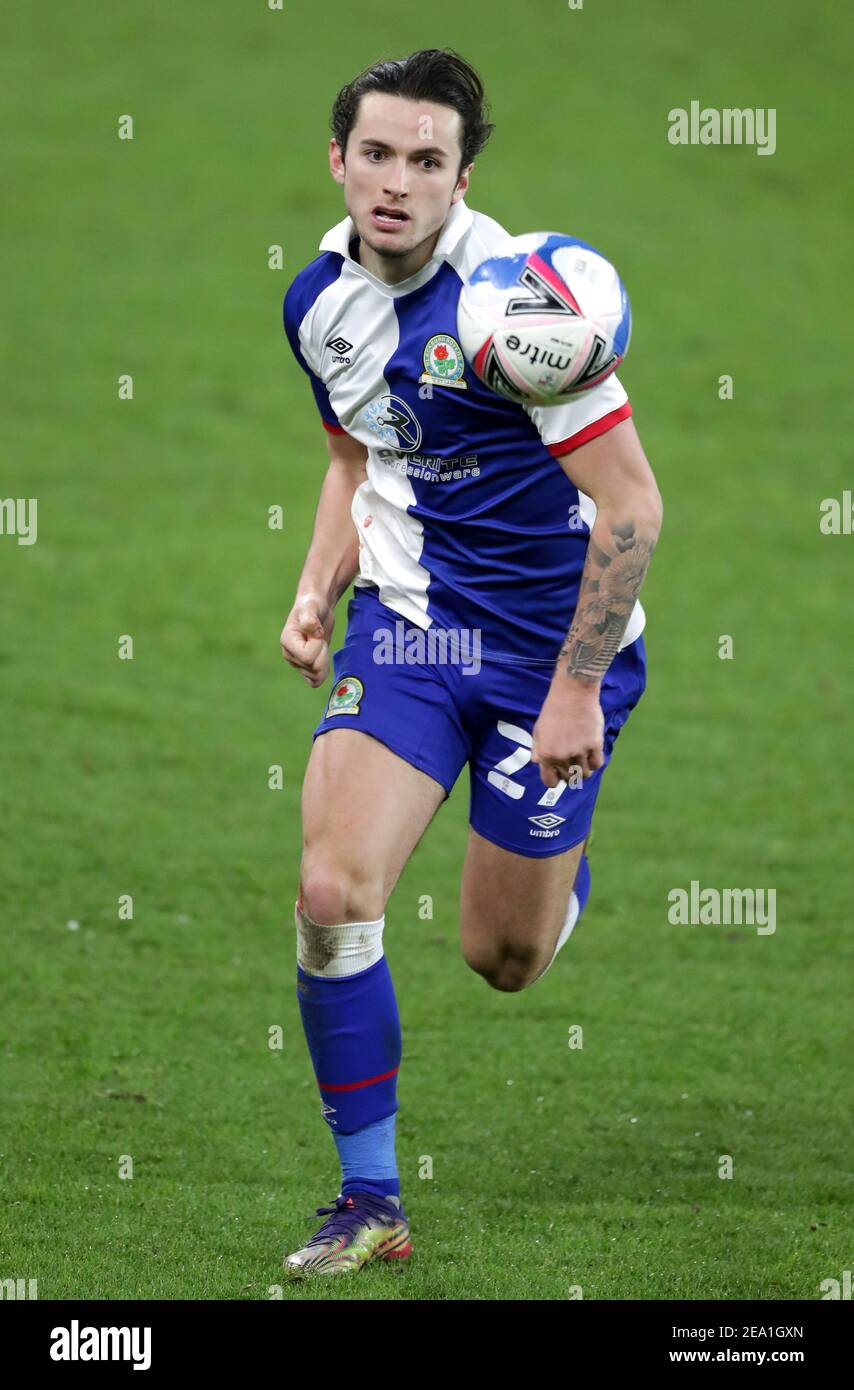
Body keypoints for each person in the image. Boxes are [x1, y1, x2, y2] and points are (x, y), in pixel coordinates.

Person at [279, 48, 663, 1277]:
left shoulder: (521, 309)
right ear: (338, 160)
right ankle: (369, 1199)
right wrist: (315, 584)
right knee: (333, 893)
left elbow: (632, 512)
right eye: (375, 154)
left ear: (462, 176)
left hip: (552, 656)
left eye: (425, 161)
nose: (395, 182)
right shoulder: (315, 301)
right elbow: (358, 456)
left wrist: (570, 690)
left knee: (500, 962)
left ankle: (557, 867)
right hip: (408, 629)